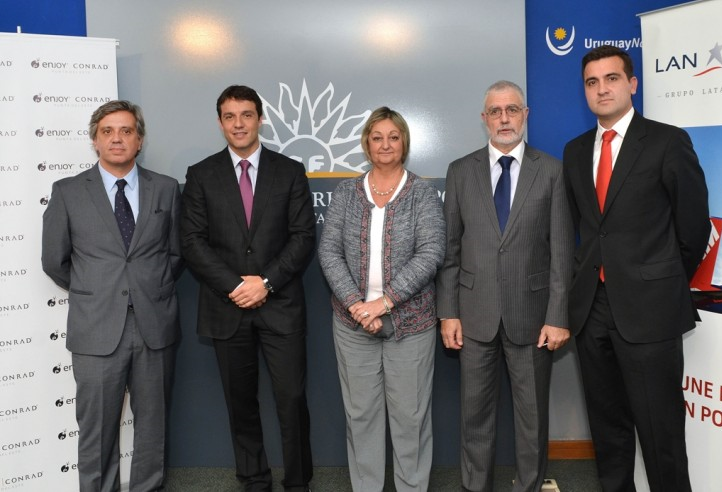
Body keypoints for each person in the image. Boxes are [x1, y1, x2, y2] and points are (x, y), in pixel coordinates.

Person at [562, 46, 710, 492]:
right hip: (593, 312)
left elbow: (693, 229)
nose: (602, 89)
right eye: (592, 82)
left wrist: (656, 281)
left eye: (611, 78)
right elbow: (582, 231)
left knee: (661, 435)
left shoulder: (667, 141)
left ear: (632, 84)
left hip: (651, 311)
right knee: (608, 434)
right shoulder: (574, 152)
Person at [436, 81, 574, 492]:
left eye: (511, 109)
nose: (503, 118)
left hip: (532, 318)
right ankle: (474, 487)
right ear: (484, 119)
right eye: (495, 112)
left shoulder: (551, 171)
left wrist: (557, 316)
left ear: (525, 114)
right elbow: (450, 250)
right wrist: (448, 312)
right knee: (474, 416)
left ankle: (528, 486)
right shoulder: (461, 171)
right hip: (473, 315)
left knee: (532, 418)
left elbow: (562, 251)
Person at [42, 100, 183, 492]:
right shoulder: (68, 192)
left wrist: (145, 288)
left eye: (126, 131)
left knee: (153, 431)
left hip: (154, 326)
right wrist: (98, 290)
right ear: (95, 141)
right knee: (96, 433)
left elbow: (174, 255)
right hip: (96, 328)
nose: (117, 138)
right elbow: (55, 260)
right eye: (108, 132)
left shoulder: (166, 189)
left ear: (139, 140)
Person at [180, 85, 315, 492]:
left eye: (246, 115)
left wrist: (267, 283)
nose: (238, 124)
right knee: (241, 405)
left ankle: (297, 483)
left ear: (260, 118)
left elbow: (303, 237)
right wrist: (237, 286)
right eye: (229, 116)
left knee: (291, 402)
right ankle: (253, 480)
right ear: (220, 122)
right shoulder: (200, 174)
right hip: (227, 307)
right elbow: (191, 242)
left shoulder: (289, 170)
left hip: (281, 307)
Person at [318, 107, 445, 491]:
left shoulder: (421, 193)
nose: (385, 144)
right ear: (366, 143)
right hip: (352, 324)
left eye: (393, 136)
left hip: (411, 325)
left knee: (410, 416)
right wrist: (358, 305)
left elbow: (431, 252)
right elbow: (329, 252)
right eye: (377, 137)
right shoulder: (346, 192)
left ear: (404, 141)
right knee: (361, 417)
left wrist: (384, 303)